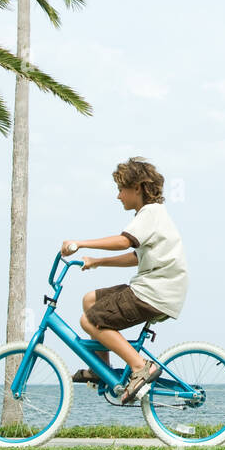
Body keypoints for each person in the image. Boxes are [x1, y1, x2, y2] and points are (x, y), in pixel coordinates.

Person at [60, 157, 188, 404]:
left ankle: (140, 367)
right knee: (89, 300)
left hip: (154, 292)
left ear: (137, 188)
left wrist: (81, 243)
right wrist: (98, 261)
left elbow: (124, 240)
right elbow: (136, 256)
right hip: (152, 288)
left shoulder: (150, 213)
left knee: (89, 320)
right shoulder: (151, 215)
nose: (118, 196)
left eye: (121, 189)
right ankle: (101, 369)